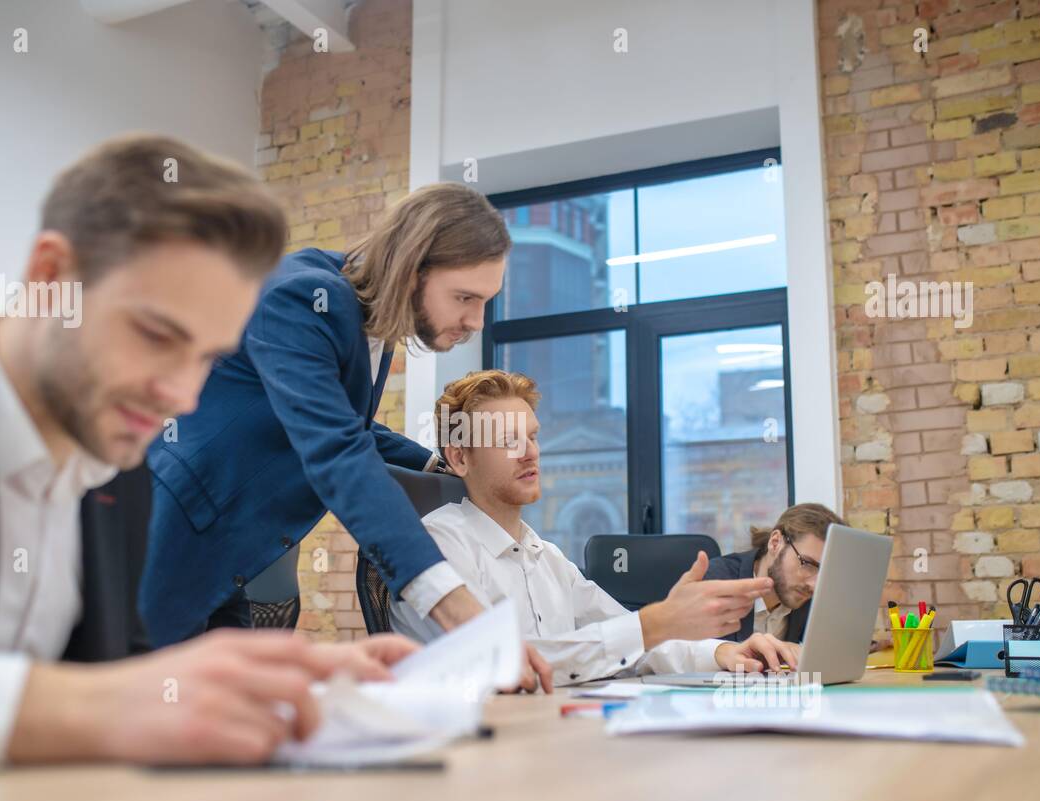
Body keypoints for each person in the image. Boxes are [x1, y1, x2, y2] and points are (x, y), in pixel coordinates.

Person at [0, 133, 414, 769]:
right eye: (158, 335)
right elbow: (96, 703)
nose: (182, 397)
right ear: (51, 277)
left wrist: (276, 686)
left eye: (208, 359)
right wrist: (76, 706)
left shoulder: (119, 476)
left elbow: (119, 685)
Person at [140, 183, 552, 691]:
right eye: (464, 298)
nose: (474, 321)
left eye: (485, 301)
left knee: (219, 725)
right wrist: (459, 609)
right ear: (410, 266)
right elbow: (337, 449)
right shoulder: (302, 298)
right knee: (135, 724)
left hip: (236, 552)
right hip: (173, 537)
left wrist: (427, 463)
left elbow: (345, 424)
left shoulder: (364, 316)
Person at [388, 371, 796, 685]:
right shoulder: (435, 545)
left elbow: (629, 643)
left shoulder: (544, 555)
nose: (530, 452)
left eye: (532, 437)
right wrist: (655, 622)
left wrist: (725, 653)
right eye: (508, 440)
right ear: (460, 458)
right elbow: (512, 663)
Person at [704, 503, 847, 646]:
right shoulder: (718, 581)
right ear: (775, 543)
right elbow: (691, 654)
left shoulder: (810, 599)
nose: (814, 585)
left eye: (825, 572)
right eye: (807, 564)